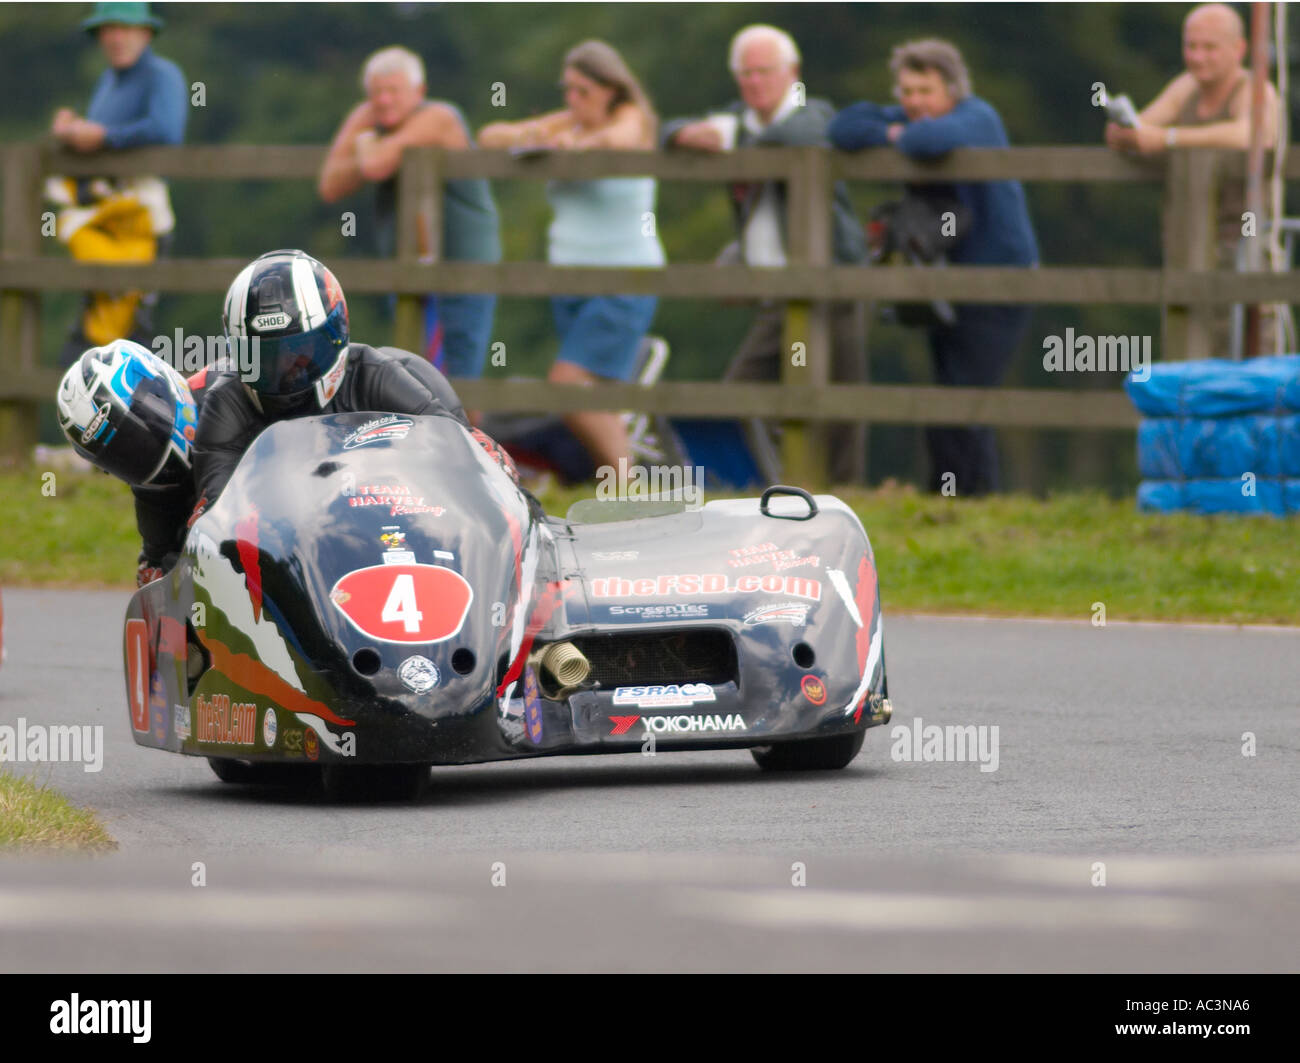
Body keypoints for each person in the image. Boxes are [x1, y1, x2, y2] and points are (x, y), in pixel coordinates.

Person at [661, 24, 870, 485]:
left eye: (764, 72)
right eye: (745, 74)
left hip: (835, 281)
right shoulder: (739, 121)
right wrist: (684, 136)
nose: (754, 82)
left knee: (841, 398)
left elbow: (804, 135)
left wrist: (736, 140)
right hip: (778, 292)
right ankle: (774, 486)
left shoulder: (811, 112)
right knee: (744, 397)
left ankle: (847, 498)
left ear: (792, 72)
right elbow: (667, 129)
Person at [830, 38, 1039, 496]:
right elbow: (843, 127)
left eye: (925, 90)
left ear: (953, 89)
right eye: (906, 91)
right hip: (944, 282)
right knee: (949, 391)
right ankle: (952, 498)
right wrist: (895, 129)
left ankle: (970, 499)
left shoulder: (977, 116)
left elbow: (931, 140)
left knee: (966, 396)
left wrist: (899, 130)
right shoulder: (911, 117)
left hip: (998, 281)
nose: (914, 102)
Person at [193, 249, 517, 513]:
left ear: (337, 334)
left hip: (387, 519)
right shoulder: (227, 402)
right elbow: (214, 513)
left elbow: (459, 452)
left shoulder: (374, 374)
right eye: (267, 356)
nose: (287, 369)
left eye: (300, 349)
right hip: (275, 539)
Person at [478, 39, 665, 470]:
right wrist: (533, 134)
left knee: (566, 385)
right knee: (592, 396)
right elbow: (490, 135)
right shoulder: (568, 123)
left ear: (611, 88)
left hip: (624, 278)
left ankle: (625, 486)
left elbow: (618, 140)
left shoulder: (631, 118)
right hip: (570, 283)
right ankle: (622, 493)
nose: (573, 99)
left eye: (583, 90)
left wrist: (571, 145)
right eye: (568, 90)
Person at [1103, 2, 1281, 355]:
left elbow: (1256, 134)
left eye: (1210, 47)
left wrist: (1171, 139)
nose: (1198, 57)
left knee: (1247, 355)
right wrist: (1128, 133)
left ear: (1239, 49)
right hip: (1186, 244)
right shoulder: (1186, 87)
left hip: (1243, 243)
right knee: (1186, 348)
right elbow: (1137, 128)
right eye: (1191, 46)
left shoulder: (1255, 90)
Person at [318, 46, 501, 380]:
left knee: (456, 378)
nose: (384, 101)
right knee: (413, 372)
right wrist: (369, 136)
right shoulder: (371, 117)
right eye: (376, 93)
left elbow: (374, 165)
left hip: (461, 268)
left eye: (393, 91)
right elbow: (331, 184)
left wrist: (365, 143)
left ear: (420, 92)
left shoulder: (442, 117)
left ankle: (466, 433)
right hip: (407, 269)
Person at [48, 1, 187, 366]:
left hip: (142, 224)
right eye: (107, 30)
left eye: (123, 28)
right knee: (92, 335)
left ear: (145, 32)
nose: (115, 38)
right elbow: (100, 138)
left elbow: (166, 130)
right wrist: (73, 133)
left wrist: (103, 136)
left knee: (132, 339)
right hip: (102, 224)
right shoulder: (108, 82)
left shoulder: (163, 74)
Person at [56, 338, 205, 587]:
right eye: (120, 455)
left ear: (160, 385)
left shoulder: (227, 391)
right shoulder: (153, 501)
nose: (140, 455)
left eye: (138, 433)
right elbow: (157, 588)